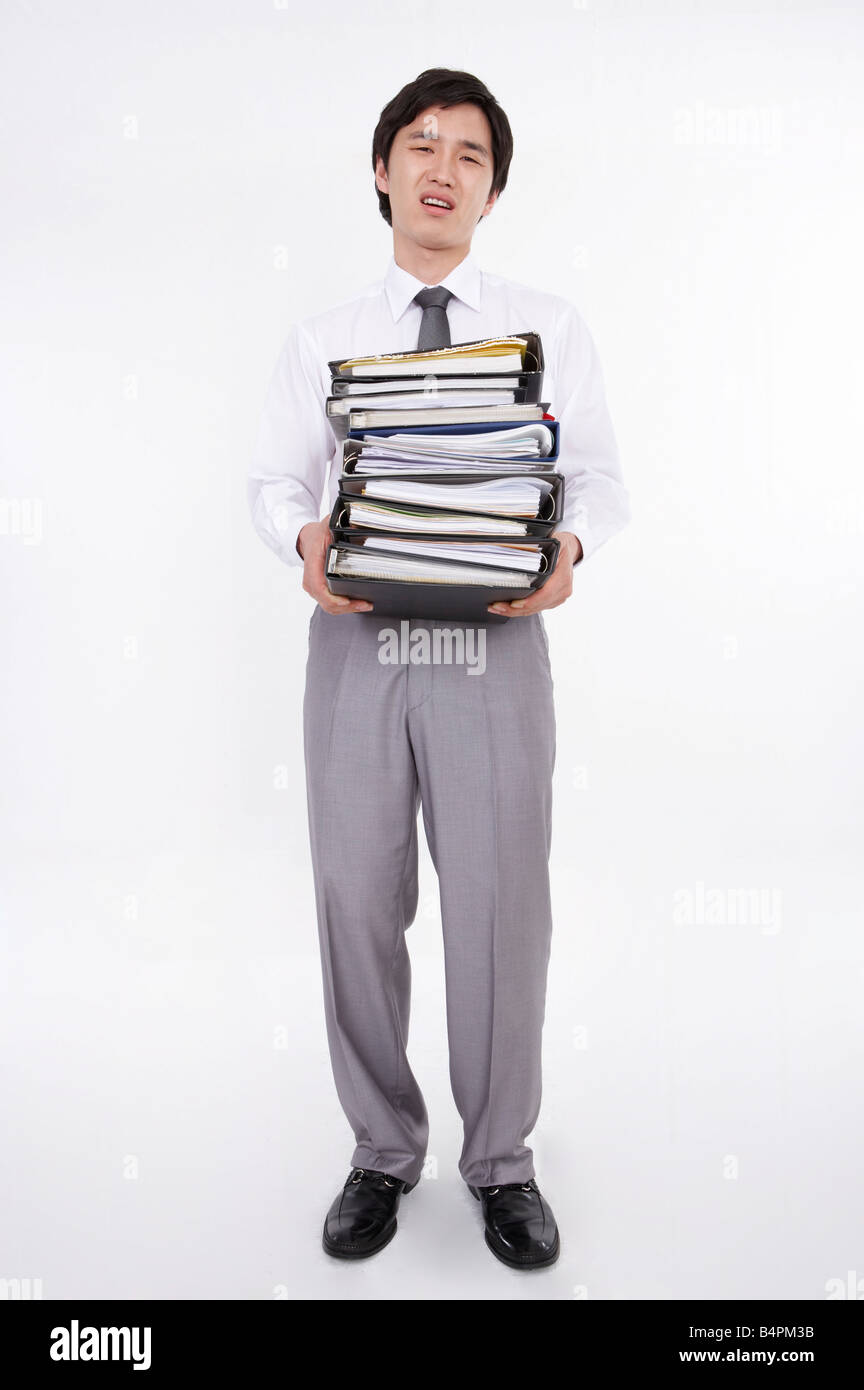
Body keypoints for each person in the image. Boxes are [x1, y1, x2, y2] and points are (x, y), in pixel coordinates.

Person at [248, 67, 630, 1271]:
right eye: (422, 145)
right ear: (381, 170)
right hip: (358, 641)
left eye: (470, 154)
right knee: (356, 900)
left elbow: (603, 481)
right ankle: (380, 1147)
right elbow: (276, 482)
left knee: (500, 907)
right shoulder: (326, 339)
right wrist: (302, 539)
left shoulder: (549, 325)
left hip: (496, 646)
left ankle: (501, 1161)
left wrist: (566, 549)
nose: (442, 169)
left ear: (494, 188)